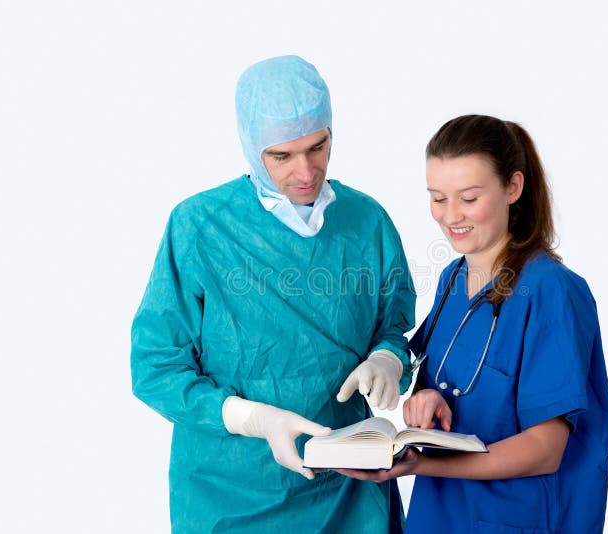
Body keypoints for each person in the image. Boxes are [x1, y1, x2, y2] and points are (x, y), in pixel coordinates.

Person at [131, 55, 415, 533]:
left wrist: (387, 358)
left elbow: (392, 326)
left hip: (349, 489)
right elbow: (156, 366)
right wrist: (254, 419)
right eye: (282, 156)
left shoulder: (366, 221)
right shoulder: (199, 226)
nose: (306, 171)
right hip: (230, 494)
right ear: (250, 145)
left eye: (318, 146)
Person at [335, 114, 608, 533]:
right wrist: (426, 399)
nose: (450, 216)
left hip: (516, 520)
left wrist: (423, 464)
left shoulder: (551, 291)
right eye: (437, 198)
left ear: (513, 188)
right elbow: (447, 383)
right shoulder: (452, 279)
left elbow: (546, 449)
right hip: (438, 515)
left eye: (468, 198)